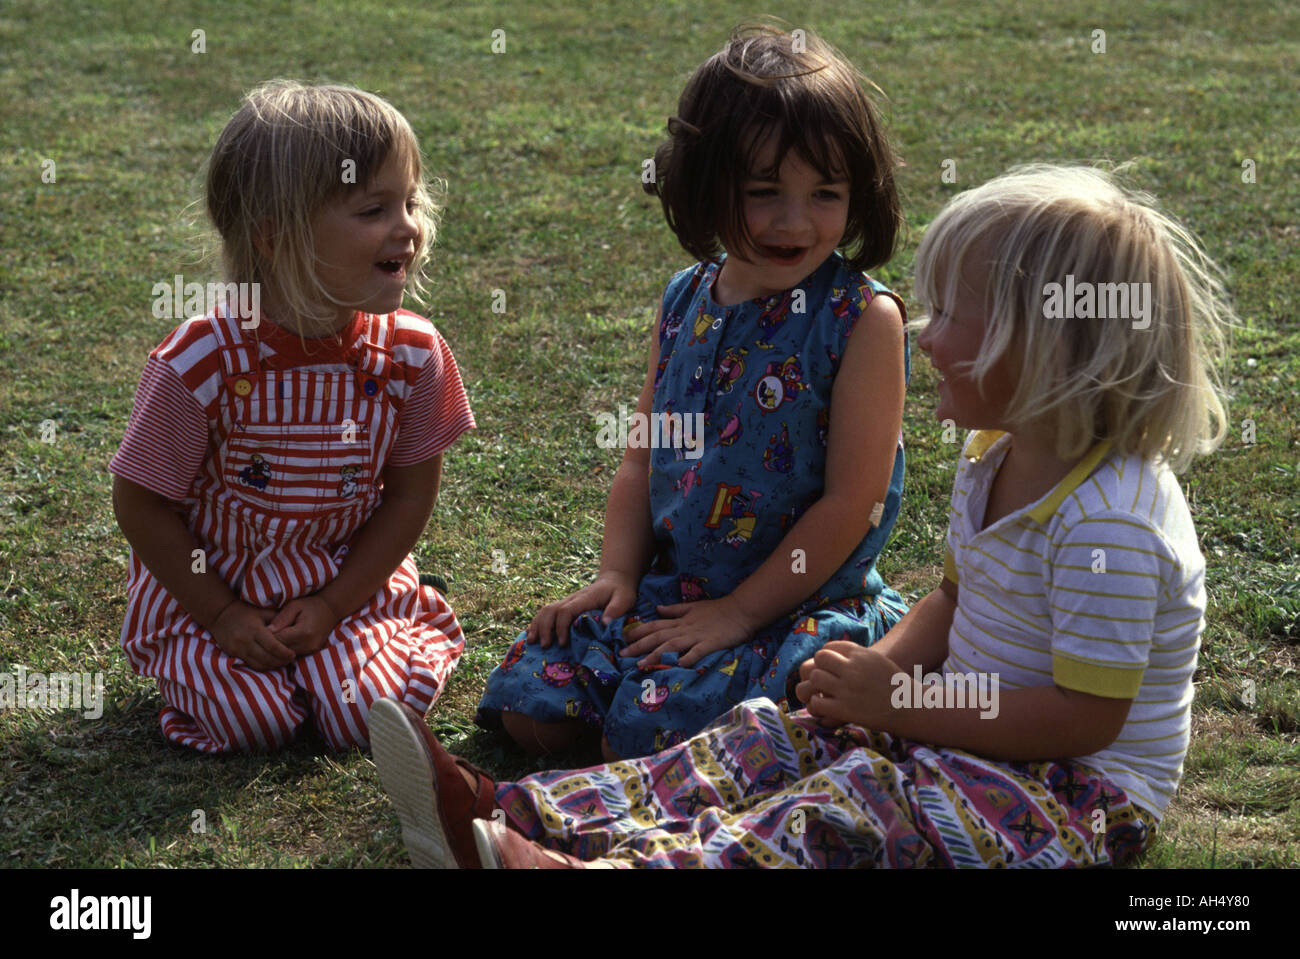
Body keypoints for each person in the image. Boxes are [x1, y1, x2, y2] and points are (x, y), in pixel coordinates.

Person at [371, 162, 1232, 867]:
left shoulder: (1111, 525)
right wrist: (870, 678)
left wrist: (901, 702)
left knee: (839, 806)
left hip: (1066, 797)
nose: (925, 336)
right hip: (958, 735)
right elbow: (955, 602)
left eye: (955, 316)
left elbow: (1084, 719)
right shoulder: (995, 455)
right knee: (764, 737)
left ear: (1047, 343)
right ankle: (508, 810)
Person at [475, 23, 910, 762]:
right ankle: (644, 749)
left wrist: (737, 614)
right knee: (531, 707)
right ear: (705, 185)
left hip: (799, 608)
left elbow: (852, 504)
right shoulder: (685, 298)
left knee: (676, 722)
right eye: (764, 191)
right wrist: (616, 573)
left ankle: (677, 763)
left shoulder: (862, 320)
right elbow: (642, 461)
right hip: (676, 597)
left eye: (825, 193)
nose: (795, 220)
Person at [110, 81, 475, 753]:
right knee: (257, 721)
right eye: (373, 209)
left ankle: (409, 617)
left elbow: (411, 494)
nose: (409, 227)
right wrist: (220, 613)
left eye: (411, 200)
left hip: (350, 583)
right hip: (214, 591)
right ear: (277, 239)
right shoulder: (201, 360)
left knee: (357, 717)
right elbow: (140, 505)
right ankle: (219, 671)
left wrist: (336, 603)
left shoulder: (412, 355)